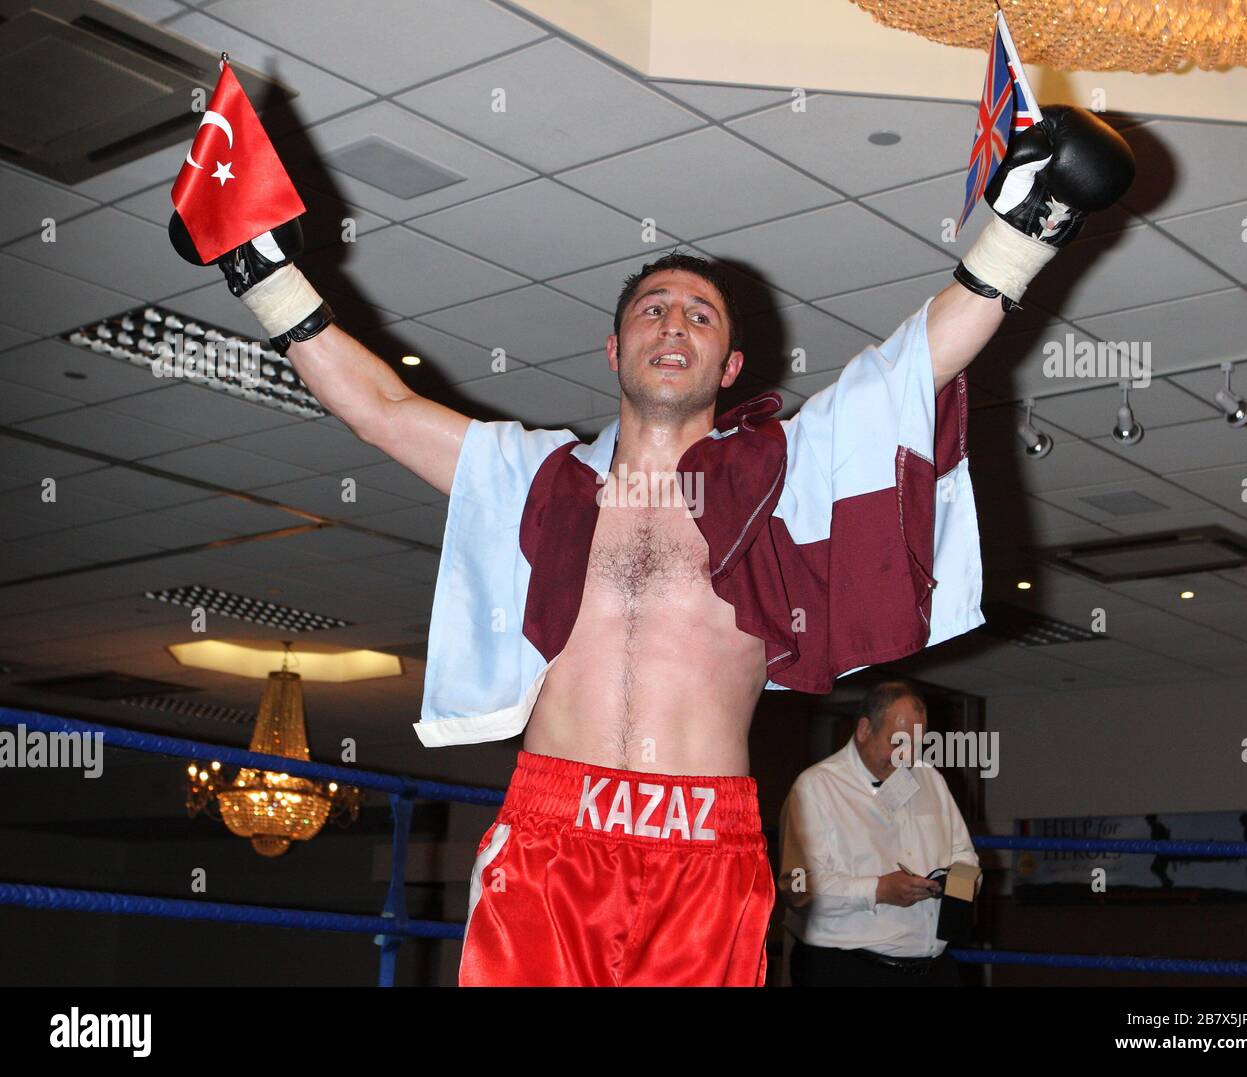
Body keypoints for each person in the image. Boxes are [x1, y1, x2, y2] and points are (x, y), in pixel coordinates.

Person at [170, 105, 1135, 986]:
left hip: (702, 846)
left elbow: (913, 367)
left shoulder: (780, 475)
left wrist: (1024, 226)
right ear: (615, 349)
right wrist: (260, 269)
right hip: (550, 836)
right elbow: (382, 410)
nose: (674, 325)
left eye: (700, 316)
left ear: (732, 363)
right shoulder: (539, 477)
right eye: (652, 310)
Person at [777, 682, 979, 986]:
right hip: (848, 969)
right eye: (897, 742)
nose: (906, 757)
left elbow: (965, 855)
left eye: (916, 745)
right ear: (863, 730)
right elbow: (798, 884)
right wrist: (877, 890)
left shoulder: (930, 779)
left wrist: (954, 892)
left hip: (932, 969)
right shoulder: (816, 787)